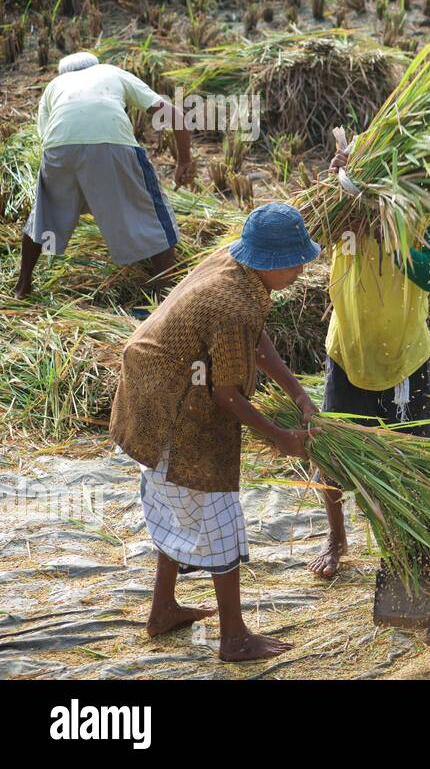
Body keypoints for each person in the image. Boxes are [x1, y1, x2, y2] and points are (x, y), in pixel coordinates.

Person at [109, 203, 322, 662]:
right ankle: (234, 637)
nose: (304, 267)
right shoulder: (230, 304)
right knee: (214, 511)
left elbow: (254, 336)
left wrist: (298, 394)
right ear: (276, 263)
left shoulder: (239, 266)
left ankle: (163, 609)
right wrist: (281, 438)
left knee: (176, 503)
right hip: (168, 403)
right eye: (299, 260)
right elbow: (226, 396)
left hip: (163, 382)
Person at [309, 150, 430, 578]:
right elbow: (311, 233)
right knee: (332, 450)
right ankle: (336, 537)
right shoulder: (349, 204)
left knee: (412, 452)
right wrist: (332, 181)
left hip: (404, 357)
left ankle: (409, 535)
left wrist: (390, 232)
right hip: (348, 348)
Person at [15, 52, 194, 299]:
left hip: (58, 149)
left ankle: (22, 286)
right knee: (155, 218)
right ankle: (165, 297)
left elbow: (48, 139)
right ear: (95, 65)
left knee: (43, 215)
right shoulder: (111, 72)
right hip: (112, 144)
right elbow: (173, 114)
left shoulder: (54, 86)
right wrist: (185, 160)